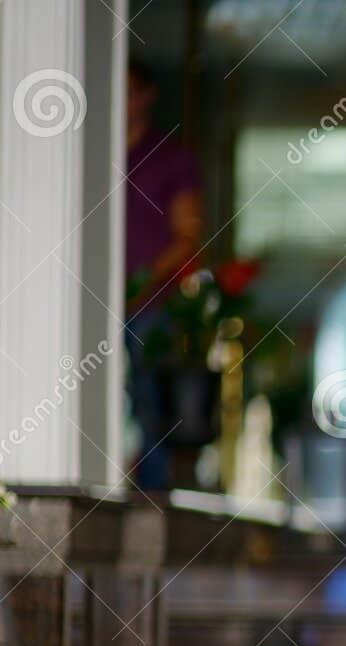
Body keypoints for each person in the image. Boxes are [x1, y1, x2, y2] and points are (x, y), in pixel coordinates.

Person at [124, 57, 203, 491]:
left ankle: (150, 503)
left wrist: (136, 284)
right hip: (90, 305)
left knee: (150, 404)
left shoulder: (171, 158)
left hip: (153, 306)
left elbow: (188, 235)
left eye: (129, 91)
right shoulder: (87, 154)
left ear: (146, 95)